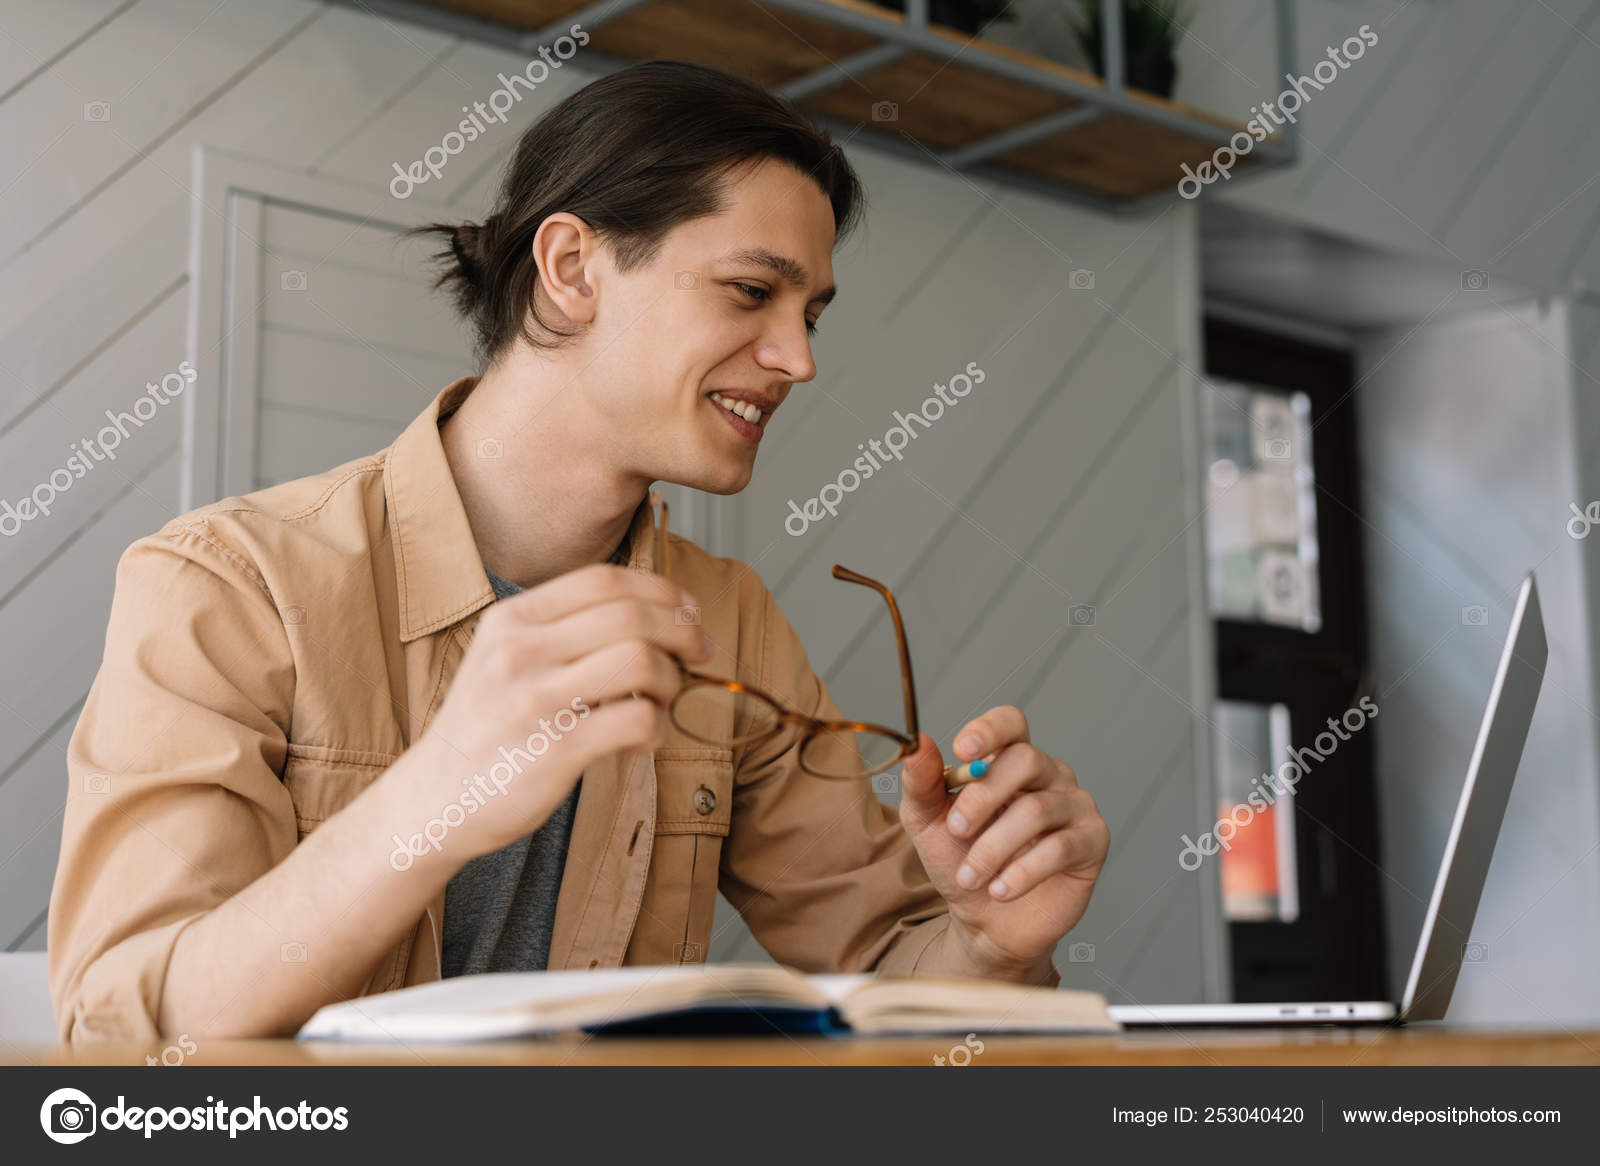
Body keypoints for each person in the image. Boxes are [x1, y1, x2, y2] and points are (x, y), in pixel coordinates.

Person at [48, 60, 1109, 1042]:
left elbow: (891, 972)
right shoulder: (229, 586)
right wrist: (440, 794)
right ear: (571, 267)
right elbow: (132, 1032)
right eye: (751, 291)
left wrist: (991, 938)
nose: (796, 359)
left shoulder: (730, 622)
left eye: (810, 314)